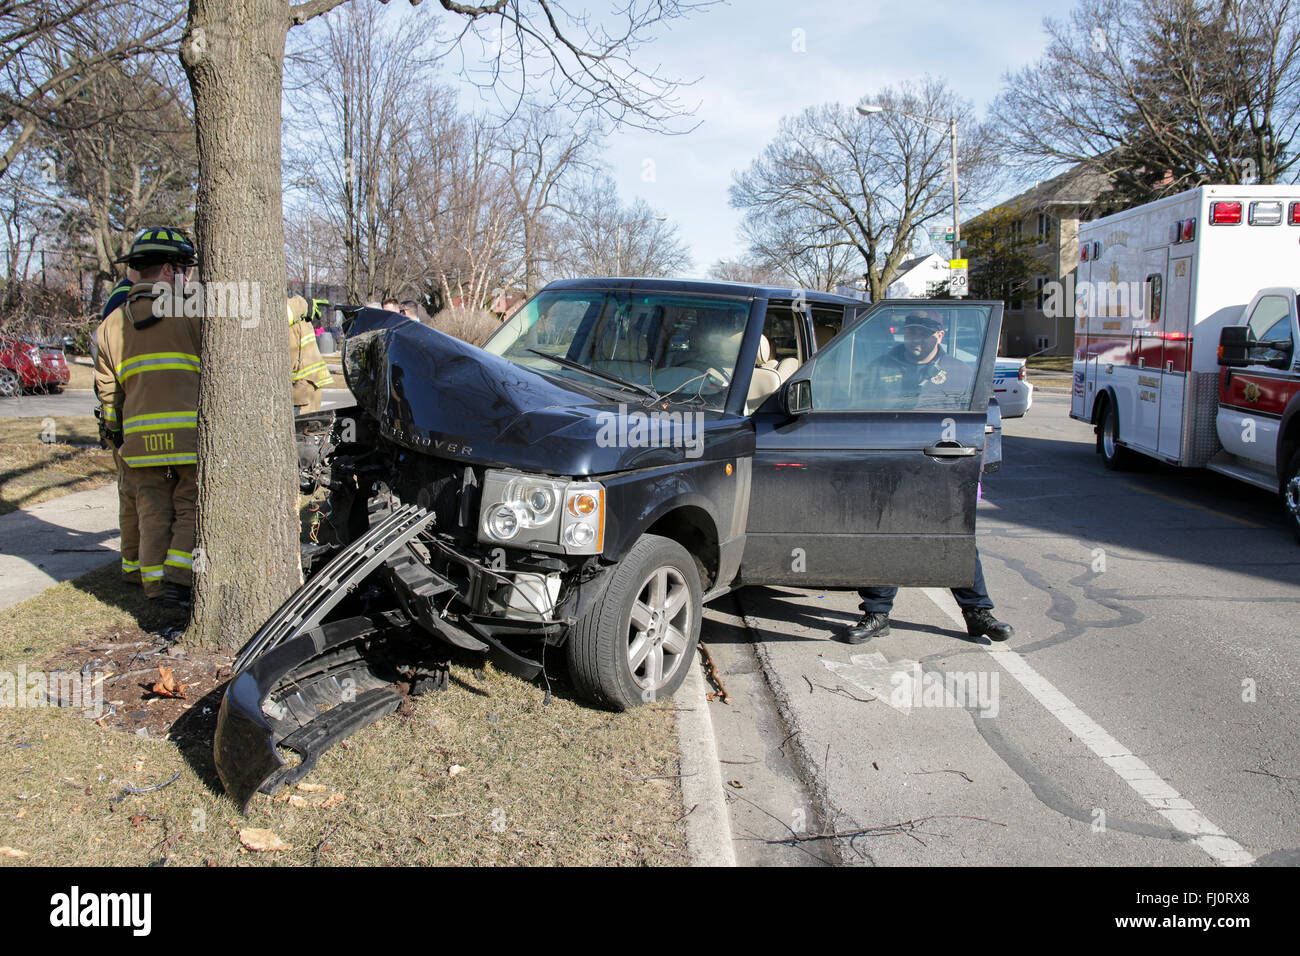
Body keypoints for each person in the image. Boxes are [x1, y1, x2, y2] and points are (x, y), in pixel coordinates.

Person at [837, 310, 1013, 644]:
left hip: (942, 467)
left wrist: (977, 469)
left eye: (922, 334)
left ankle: (978, 614)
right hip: (889, 465)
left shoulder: (961, 373)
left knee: (955, 541)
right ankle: (877, 613)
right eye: (910, 333)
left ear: (939, 336)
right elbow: (858, 411)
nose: (915, 340)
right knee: (886, 536)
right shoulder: (880, 368)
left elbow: (980, 423)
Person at [93, 227, 200, 613]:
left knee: (152, 510)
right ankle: (179, 583)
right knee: (190, 505)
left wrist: (115, 437)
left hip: (139, 446)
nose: (187, 277)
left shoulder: (108, 327)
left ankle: (154, 590)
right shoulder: (193, 314)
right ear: (170, 270)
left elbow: (108, 398)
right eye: (184, 269)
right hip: (190, 440)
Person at [95, 263, 141, 585]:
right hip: (130, 415)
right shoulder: (124, 301)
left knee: (134, 496)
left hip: (128, 414)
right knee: (135, 496)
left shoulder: (123, 297)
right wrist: (114, 425)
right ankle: (136, 567)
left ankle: (135, 565)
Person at [287, 294, 334, 414]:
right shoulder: (300, 315)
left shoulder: (291, 323)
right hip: (310, 382)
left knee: (301, 427)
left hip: (301, 386)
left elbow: (289, 359)